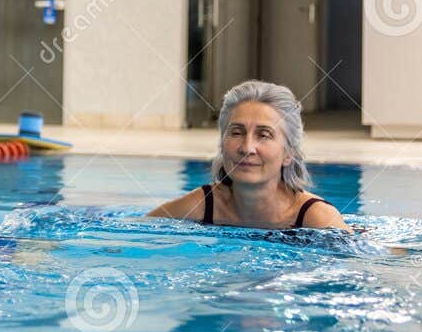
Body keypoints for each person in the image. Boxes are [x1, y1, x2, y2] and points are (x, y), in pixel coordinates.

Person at [148, 79, 349, 231]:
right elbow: (137, 232)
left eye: (264, 135)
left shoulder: (317, 218)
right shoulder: (202, 205)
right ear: (222, 143)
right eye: (237, 133)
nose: (247, 148)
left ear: (288, 153)